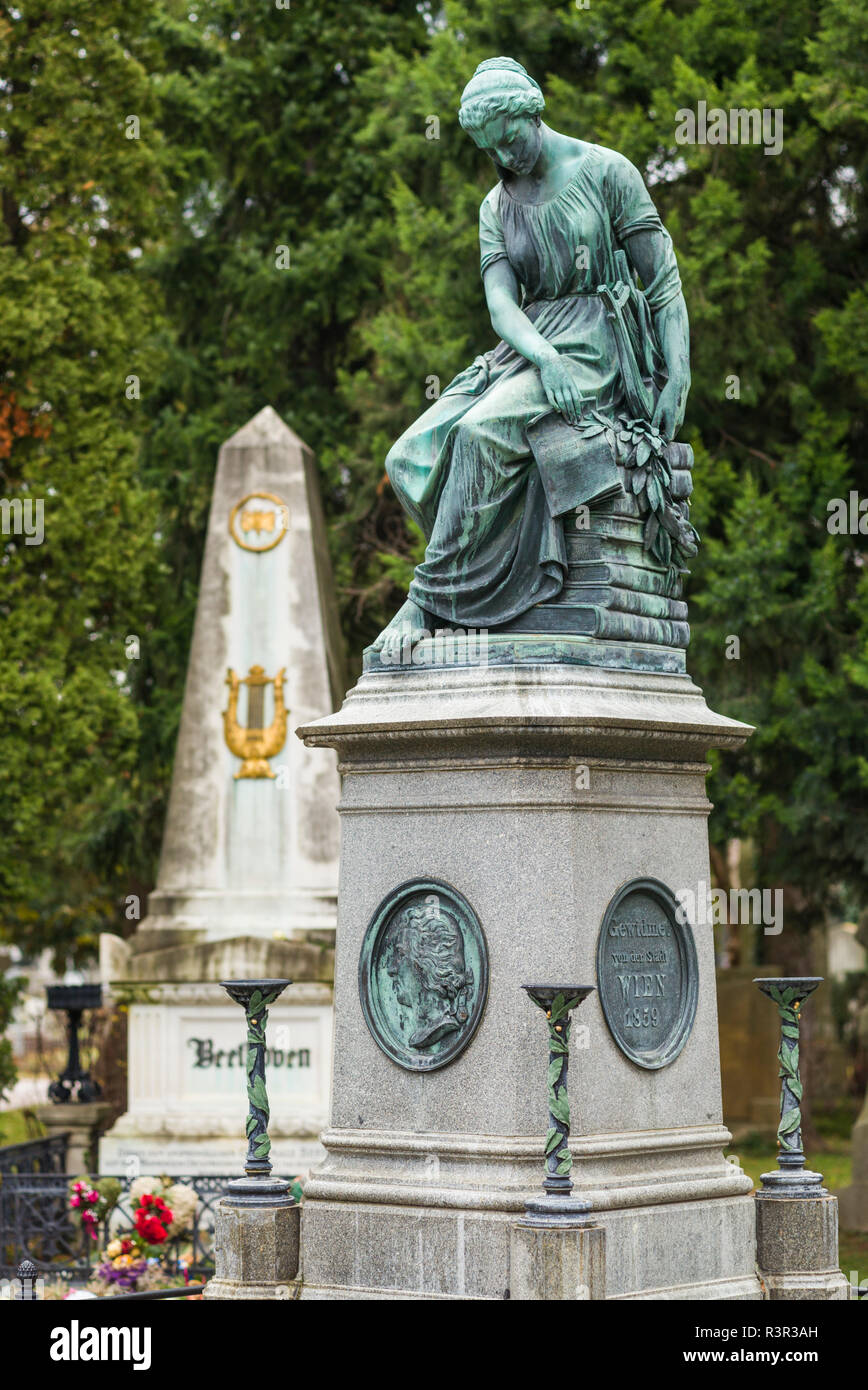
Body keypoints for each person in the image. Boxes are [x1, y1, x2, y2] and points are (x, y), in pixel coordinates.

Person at [372, 56, 692, 661]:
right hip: (528, 346)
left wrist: (678, 374)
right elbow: (501, 305)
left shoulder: (607, 172)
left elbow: (664, 282)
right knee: (409, 455)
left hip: (599, 344)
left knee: (480, 432)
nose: (506, 157)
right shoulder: (495, 206)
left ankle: (429, 601)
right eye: (490, 149)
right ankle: (482, 593)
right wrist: (541, 357)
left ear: (533, 113)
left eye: (511, 139)